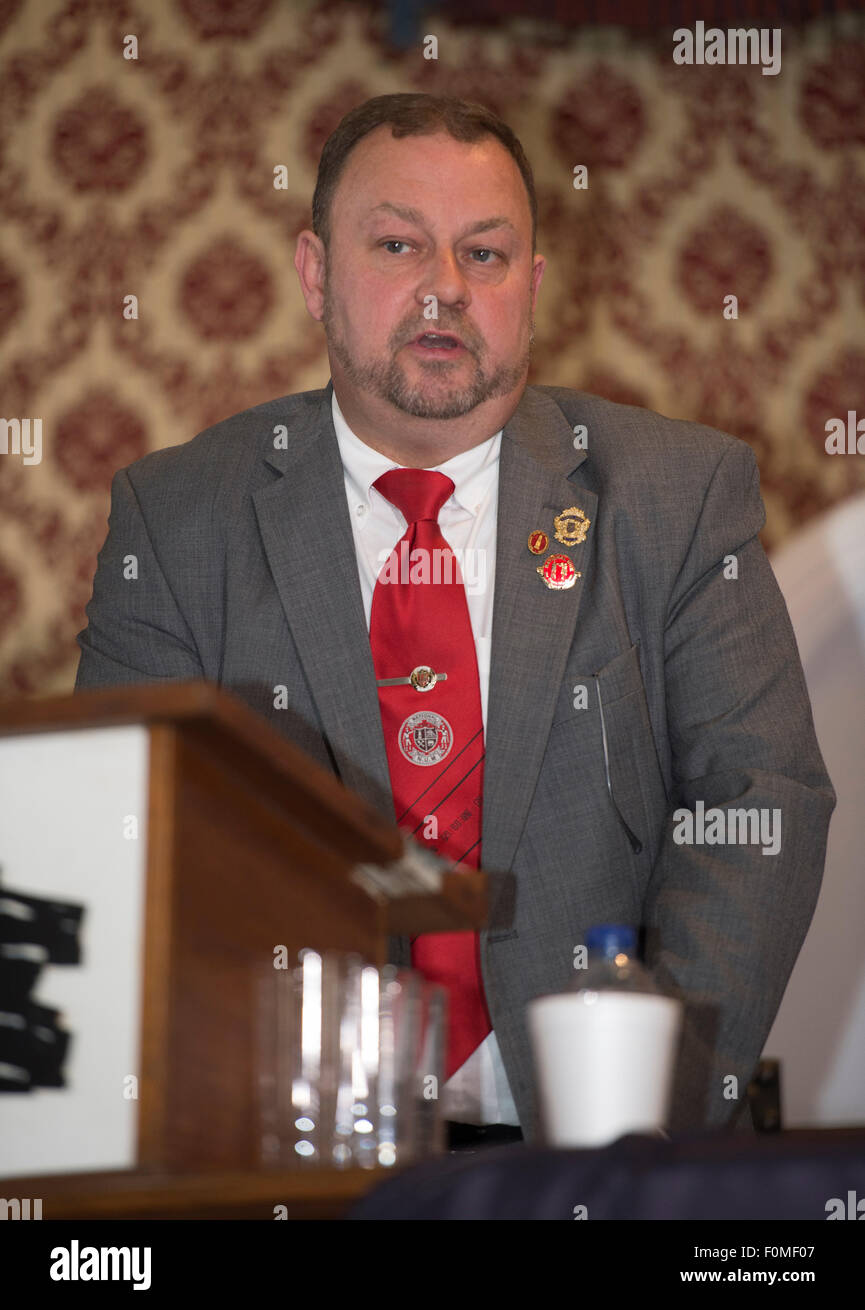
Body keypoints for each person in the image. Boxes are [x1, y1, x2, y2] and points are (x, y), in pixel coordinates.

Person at [75, 92, 835, 1152]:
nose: (443, 289)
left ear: (532, 284)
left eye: (484, 255)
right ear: (314, 273)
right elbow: (120, 843)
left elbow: (763, 804)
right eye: (397, 244)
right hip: (287, 1147)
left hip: (601, 1152)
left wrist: (644, 1101)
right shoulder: (176, 517)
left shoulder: (676, 494)